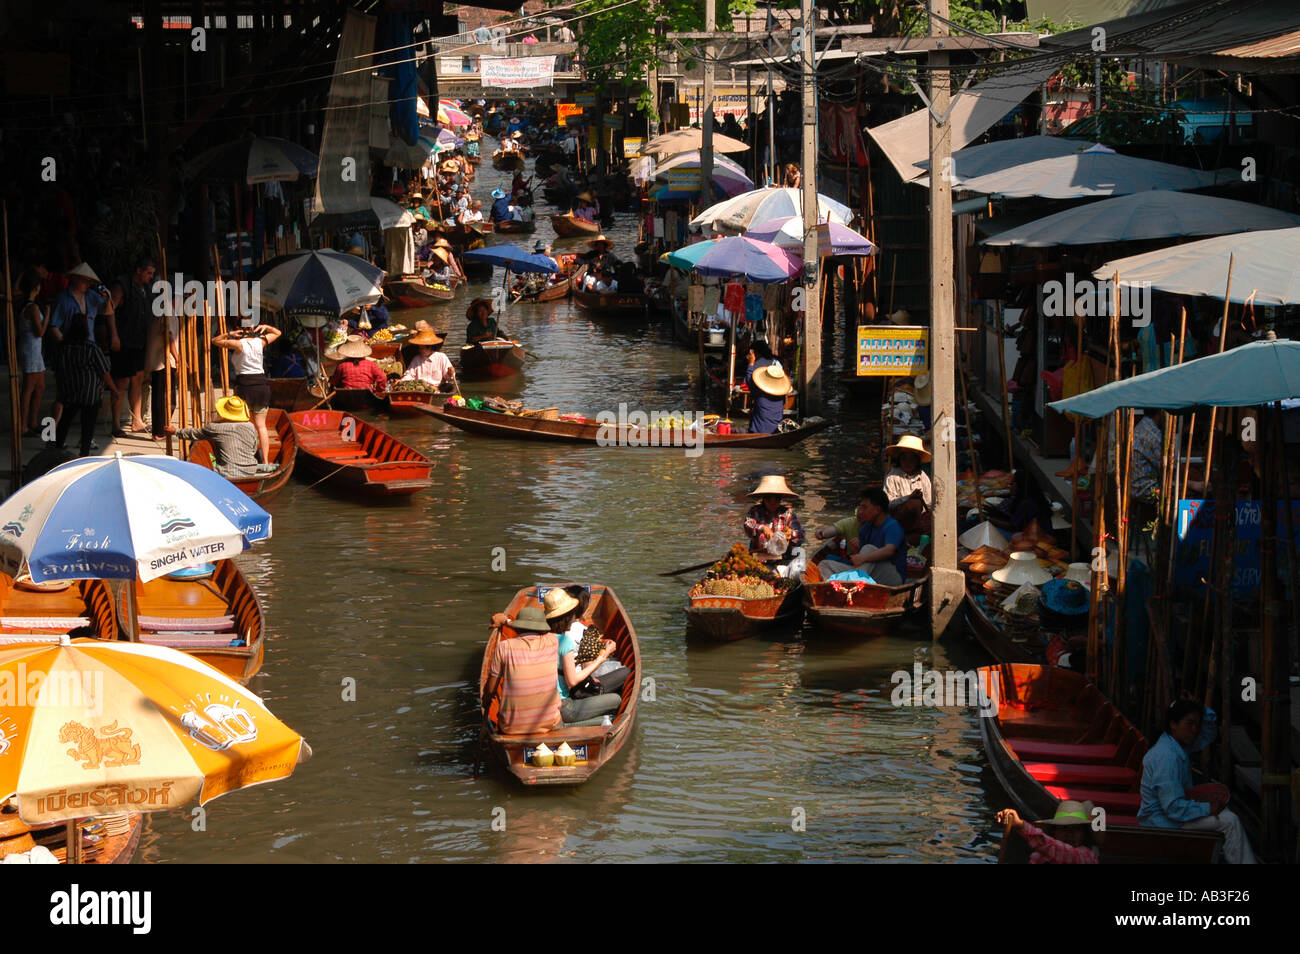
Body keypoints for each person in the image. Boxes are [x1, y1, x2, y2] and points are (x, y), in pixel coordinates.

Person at [1139, 697, 1256, 864]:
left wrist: (1200, 707)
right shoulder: (1167, 757)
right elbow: (1172, 808)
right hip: (1162, 823)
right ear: (1173, 724)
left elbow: (1208, 733)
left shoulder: (1177, 744)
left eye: (1197, 724)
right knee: (1231, 821)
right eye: (1189, 724)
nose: (1195, 730)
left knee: (1227, 815)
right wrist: (1208, 808)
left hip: (1170, 816)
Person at [48, 263, 117, 436]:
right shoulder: (63, 299)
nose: (87, 284)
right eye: (84, 280)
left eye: (89, 281)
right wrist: (65, 344)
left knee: (88, 395)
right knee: (61, 396)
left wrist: (107, 297)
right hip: (68, 351)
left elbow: (107, 311)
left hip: (89, 350)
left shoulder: (92, 296)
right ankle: (50, 435)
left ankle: (84, 437)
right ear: (75, 279)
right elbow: (54, 326)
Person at [543, 587, 630, 724]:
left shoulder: (540, 636)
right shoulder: (565, 640)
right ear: (568, 615)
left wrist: (507, 621)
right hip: (565, 703)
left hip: (543, 704)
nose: (574, 617)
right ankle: (569, 727)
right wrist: (603, 656)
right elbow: (574, 679)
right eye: (572, 613)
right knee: (617, 700)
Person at [482, 605, 562, 735]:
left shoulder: (504, 647)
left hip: (510, 727)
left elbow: (490, 690)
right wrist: (506, 621)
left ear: (518, 627)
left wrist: (485, 704)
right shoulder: (553, 641)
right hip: (549, 724)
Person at [212, 323, 282, 466]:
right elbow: (278, 332)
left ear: (240, 330)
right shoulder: (261, 342)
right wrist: (265, 327)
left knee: (242, 425)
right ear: (253, 329)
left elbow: (215, 341)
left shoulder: (238, 344)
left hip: (244, 386)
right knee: (261, 426)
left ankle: (243, 459)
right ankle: (266, 461)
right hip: (261, 386)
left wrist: (230, 334)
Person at [54, 314, 120, 457]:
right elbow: (104, 372)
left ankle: (57, 448)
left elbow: (58, 370)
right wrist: (114, 390)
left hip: (70, 391)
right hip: (90, 393)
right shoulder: (91, 348)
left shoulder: (64, 348)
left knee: (65, 421)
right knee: (88, 425)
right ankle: (84, 452)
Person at [817, 487, 907, 586]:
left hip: (892, 577)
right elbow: (861, 563)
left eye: (865, 507)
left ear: (877, 509)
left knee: (868, 548)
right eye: (860, 507)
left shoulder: (892, 526)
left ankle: (852, 586)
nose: (861, 511)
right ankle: (840, 589)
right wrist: (857, 551)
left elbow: (889, 550)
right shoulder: (866, 528)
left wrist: (863, 557)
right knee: (824, 565)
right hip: (868, 573)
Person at [109, 258, 157, 434]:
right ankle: (115, 423)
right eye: (148, 273)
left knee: (137, 380)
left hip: (140, 340)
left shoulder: (147, 289)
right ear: (139, 270)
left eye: (152, 274)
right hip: (124, 341)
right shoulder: (122, 285)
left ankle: (137, 420)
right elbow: (110, 310)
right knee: (120, 383)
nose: (150, 277)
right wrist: (114, 335)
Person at [167, 395, 266, 477]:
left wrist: (176, 431)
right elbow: (253, 449)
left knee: (211, 466)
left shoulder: (215, 428)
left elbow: (194, 433)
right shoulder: (250, 426)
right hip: (251, 471)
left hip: (228, 474)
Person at [996, 804, 1099, 864]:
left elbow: (1062, 852)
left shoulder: (1087, 857)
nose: (1070, 834)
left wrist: (1020, 825)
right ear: (1054, 832)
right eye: (1064, 829)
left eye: (1076, 829)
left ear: (1083, 834)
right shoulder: (1038, 858)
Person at [15, 267, 51, 436]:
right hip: (31, 350)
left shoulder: (30, 306)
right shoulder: (32, 308)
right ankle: (23, 426)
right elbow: (40, 332)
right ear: (35, 287)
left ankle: (33, 421)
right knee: (29, 389)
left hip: (35, 350)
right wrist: (48, 316)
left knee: (39, 387)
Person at [743, 475, 805, 566]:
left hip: (782, 560)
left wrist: (791, 533)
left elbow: (801, 534)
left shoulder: (788, 513)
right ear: (764, 499)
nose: (773, 503)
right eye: (769, 499)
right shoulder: (755, 511)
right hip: (759, 558)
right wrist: (762, 528)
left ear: (780, 499)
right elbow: (748, 525)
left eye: (776, 499)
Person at [883, 434, 933, 538]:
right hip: (899, 519)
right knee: (914, 503)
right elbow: (888, 504)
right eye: (904, 459)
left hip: (920, 520)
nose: (908, 463)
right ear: (899, 460)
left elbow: (929, 503)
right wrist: (908, 498)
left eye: (911, 460)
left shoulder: (922, 476)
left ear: (917, 461)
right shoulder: (892, 477)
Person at [745, 348, 789, 435]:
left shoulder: (759, 393)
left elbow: (749, 378)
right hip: (775, 430)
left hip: (758, 431)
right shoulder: (780, 395)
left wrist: (750, 363)